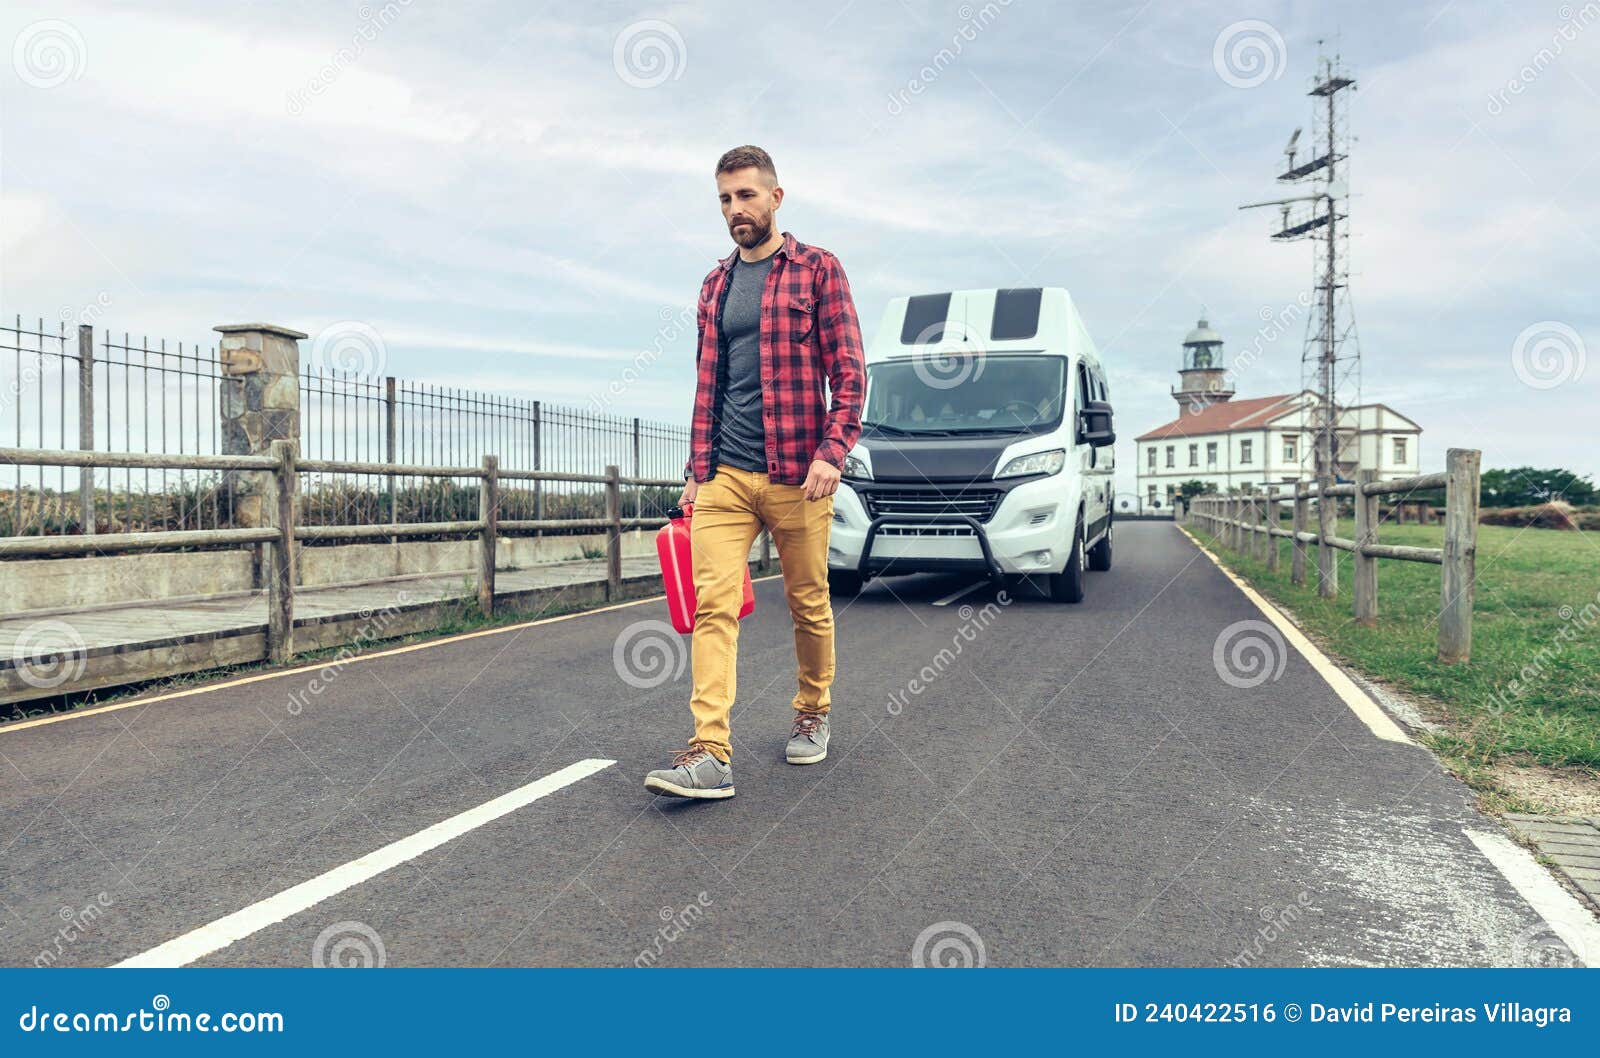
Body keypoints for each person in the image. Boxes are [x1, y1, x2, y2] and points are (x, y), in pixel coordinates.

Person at [644, 145, 865, 800]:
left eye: (745, 195)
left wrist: (834, 449)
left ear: (775, 197)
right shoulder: (715, 285)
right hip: (724, 479)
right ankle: (710, 751)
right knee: (714, 606)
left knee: (807, 602)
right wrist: (695, 470)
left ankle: (813, 708)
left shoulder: (818, 270)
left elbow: (849, 371)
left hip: (800, 474)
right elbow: (707, 384)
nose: (734, 210)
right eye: (724, 199)